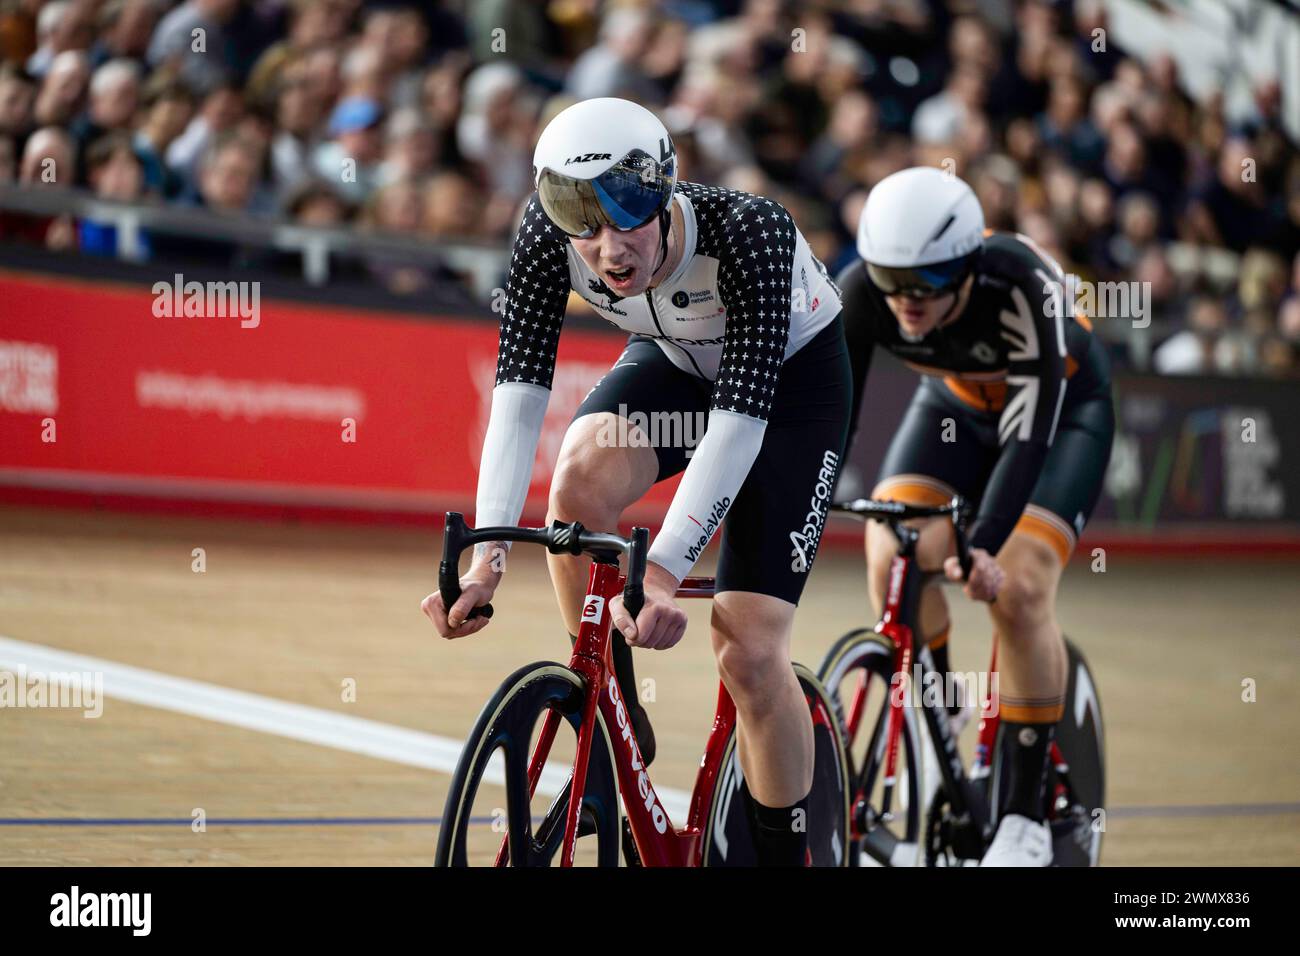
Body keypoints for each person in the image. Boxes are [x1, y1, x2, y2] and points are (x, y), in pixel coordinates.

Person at [421, 97, 851, 866]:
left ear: (667, 189)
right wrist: (484, 561)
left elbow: (739, 427)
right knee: (577, 486)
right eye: (586, 228)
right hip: (678, 365)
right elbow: (518, 400)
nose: (609, 251)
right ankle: (608, 721)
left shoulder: (749, 232)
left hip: (791, 393)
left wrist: (658, 572)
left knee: (748, 649)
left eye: (629, 221)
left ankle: (787, 854)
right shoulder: (544, 234)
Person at [837, 166, 1114, 866]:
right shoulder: (866, 291)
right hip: (955, 409)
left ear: (966, 269)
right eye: (890, 280)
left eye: (926, 285)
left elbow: (1028, 436)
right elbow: (830, 415)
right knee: (889, 548)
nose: (905, 301)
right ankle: (939, 707)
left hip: (1059, 414)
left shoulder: (1023, 287)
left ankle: (1022, 817)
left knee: (1017, 586)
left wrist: (981, 544)